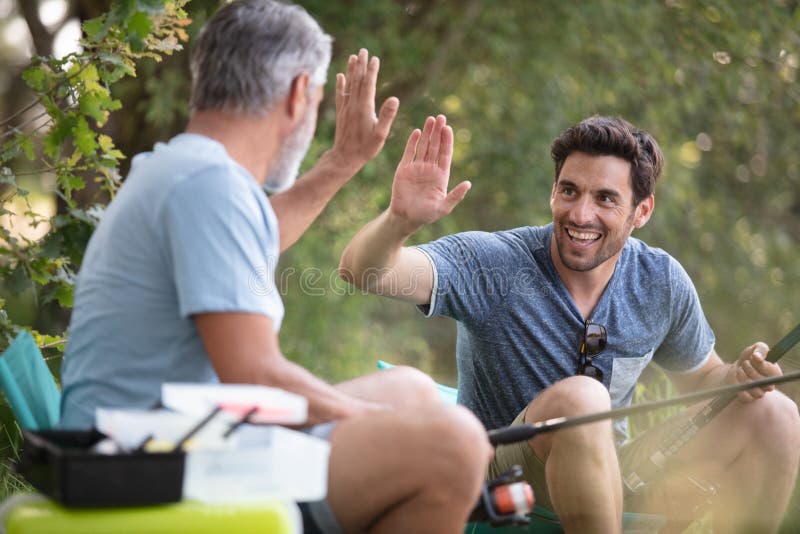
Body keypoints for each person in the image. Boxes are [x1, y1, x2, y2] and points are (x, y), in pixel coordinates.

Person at [59, 1, 492, 532]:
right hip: (147, 466)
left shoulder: (184, 170)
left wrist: (341, 161)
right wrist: (382, 427)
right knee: (454, 444)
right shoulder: (209, 187)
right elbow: (254, 373)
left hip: (162, 439)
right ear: (296, 94)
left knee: (414, 390)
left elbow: (253, 238)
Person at [339, 114, 800, 532]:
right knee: (582, 399)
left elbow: (703, 380)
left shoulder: (661, 281)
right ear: (553, 191)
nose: (581, 214)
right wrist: (399, 221)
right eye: (569, 191)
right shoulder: (497, 264)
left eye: (605, 199)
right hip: (498, 470)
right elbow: (365, 271)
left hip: (611, 470)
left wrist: (741, 377)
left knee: (776, 414)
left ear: (642, 211)